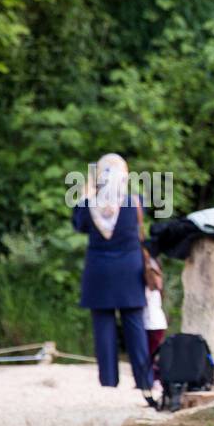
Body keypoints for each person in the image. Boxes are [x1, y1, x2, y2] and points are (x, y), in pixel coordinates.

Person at [72, 152, 153, 405]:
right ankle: (144, 381)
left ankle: (108, 382)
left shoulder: (89, 206)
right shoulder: (135, 202)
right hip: (130, 270)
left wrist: (86, 192)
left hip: (99, 272)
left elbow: (77, 224)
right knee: (135, 327)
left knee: (103, 328)